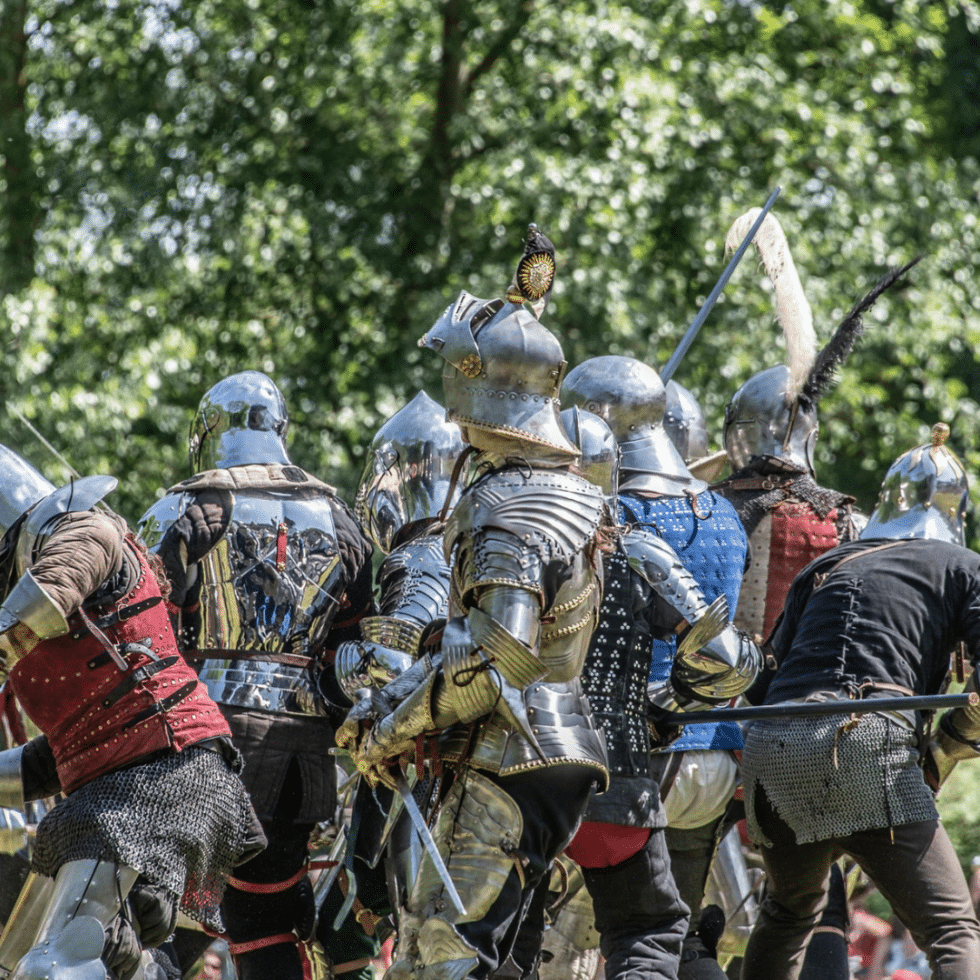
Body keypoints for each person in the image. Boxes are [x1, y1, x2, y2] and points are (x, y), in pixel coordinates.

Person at [338, 226, 612, 979]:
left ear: (476, 377)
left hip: (501, 751)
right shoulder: (574, 495)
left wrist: (389, 728)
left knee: (440, 958)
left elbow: (497, 654)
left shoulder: (505, 500)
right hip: (550, 748)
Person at [713, 210, 919, 978]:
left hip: (716, 736)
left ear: (738, 434)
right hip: (826, 739)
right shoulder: (853, 519)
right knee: (818, 901)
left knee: (695, 918)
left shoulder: (711, 509)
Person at [138, 370, 375, 980]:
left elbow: (141, 630)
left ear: (209, 430)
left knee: (141, 902)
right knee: (265, 920)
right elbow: (351, 649)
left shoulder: (188, 508)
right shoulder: (339, 518)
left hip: (202, 742)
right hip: (302, 751)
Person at [0, 443, 263, 980]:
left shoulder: (83, 532)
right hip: (119, 789)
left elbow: (46, 598)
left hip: (162, 773)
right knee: (25, 963)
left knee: (53, 969)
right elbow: (75, 747)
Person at [739, 423, 980, 980]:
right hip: (866, 740)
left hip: (773, 743)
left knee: (786, 914)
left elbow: (762, 682)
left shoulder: (827, 565)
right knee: (951, 929)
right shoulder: (963, 568)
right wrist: (948, 744)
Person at [539, 406, 762, 980]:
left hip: (567, 771)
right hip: (681, 765)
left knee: (550, 947)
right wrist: (675, 703)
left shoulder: (560, 527)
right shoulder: (702, 522)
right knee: (667, 940)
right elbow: (729, 657)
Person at [326, 390, 465, 979]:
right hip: (460, 750)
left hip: (420, 762)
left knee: (387, 922)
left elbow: (394, 662)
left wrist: (338, 657)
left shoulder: (416, 557)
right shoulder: (476, 542)